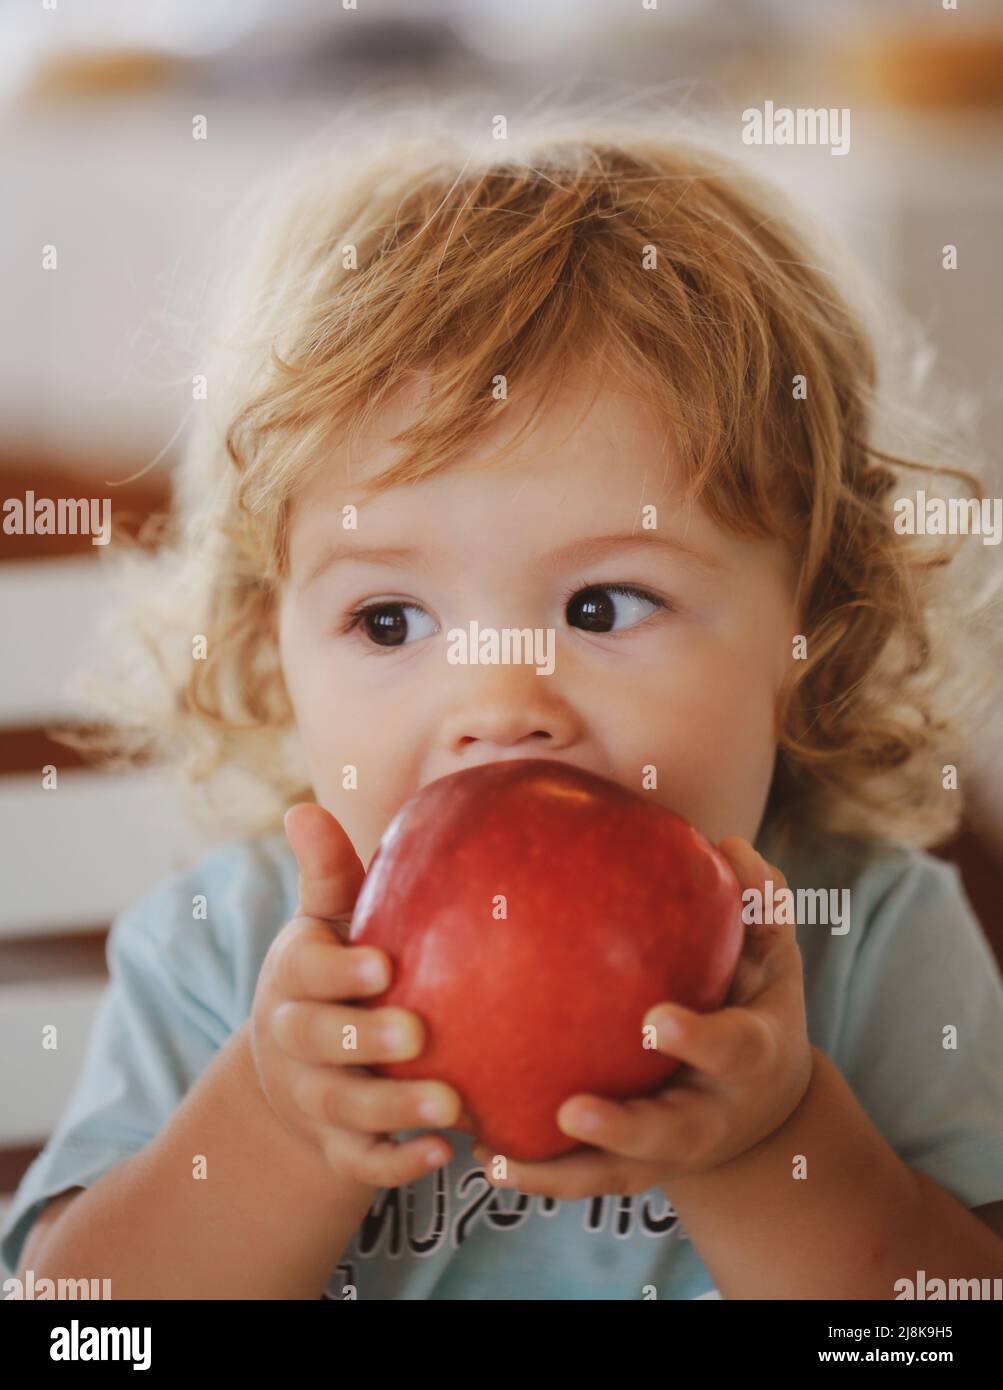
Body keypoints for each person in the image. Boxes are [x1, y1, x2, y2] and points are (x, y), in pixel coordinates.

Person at [4, 109, 1003, 1299]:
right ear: (273, 654)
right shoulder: (219, 960)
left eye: (602, 606)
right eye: (389, 621)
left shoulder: (875, 939)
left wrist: (774, 1146)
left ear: (809, 629)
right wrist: (274, 1132)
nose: (498, 702)